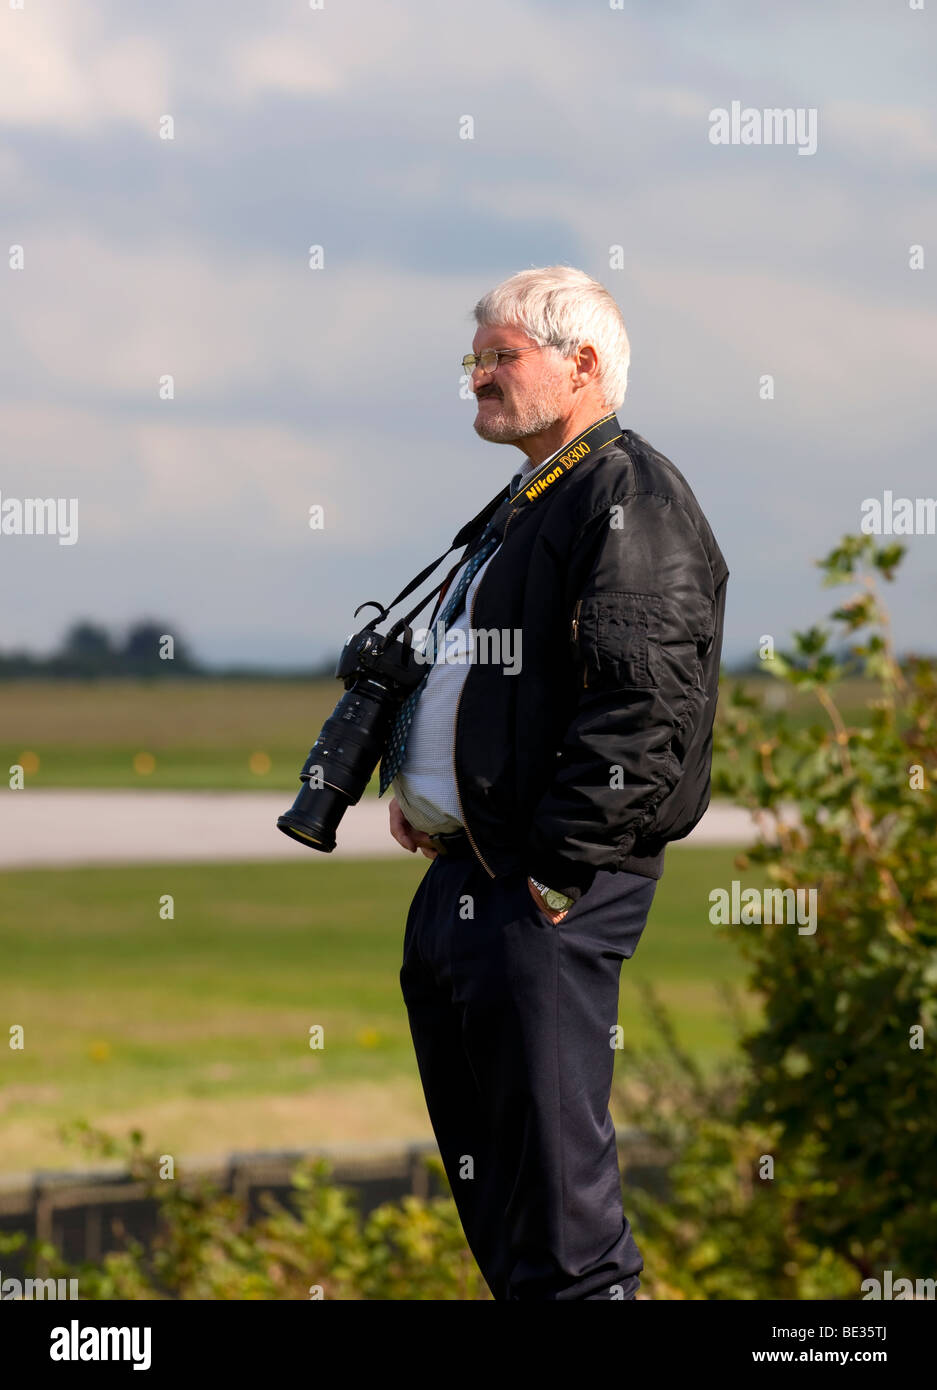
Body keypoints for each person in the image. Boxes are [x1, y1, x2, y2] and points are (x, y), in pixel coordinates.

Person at [380, 265, 729, 1300]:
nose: (478, 377)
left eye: (502, 357)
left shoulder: (629, 498)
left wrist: (555, 872)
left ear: (581, 364)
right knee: (504, 1214)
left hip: (542, 891)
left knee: (564, 1223)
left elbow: (645, 705)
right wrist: (433, 790)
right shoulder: (534, 496)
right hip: (468, 878)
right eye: (473, 358)